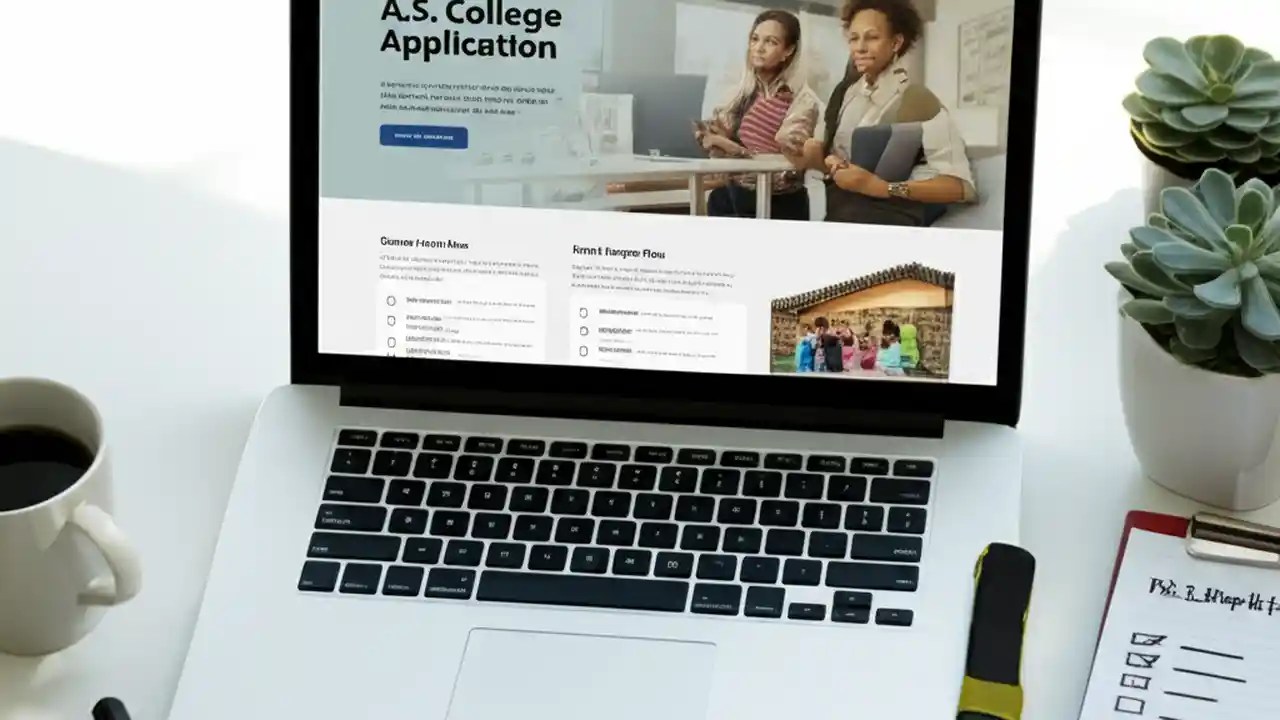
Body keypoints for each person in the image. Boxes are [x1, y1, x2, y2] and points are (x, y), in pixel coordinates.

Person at [801, 0, 978, 227]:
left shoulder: (917, 99)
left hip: (888, 219)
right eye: (854, 38)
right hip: (841, 213)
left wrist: (883, 188)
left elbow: (959, 187)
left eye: (872, 37)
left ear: (895, 43)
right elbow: (844, 168)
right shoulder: (848, 96)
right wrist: (826, 161)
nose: (860, 47)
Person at [695, 9, 821, 222]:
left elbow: (790, 159)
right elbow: (721, 159)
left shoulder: (801, 99)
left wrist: (733, 149)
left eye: (770, 42)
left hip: (780, 205)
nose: (759, 48)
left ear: (788, 50)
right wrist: (714, 141)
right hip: (733, 197)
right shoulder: (739, 94)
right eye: (755, 39)